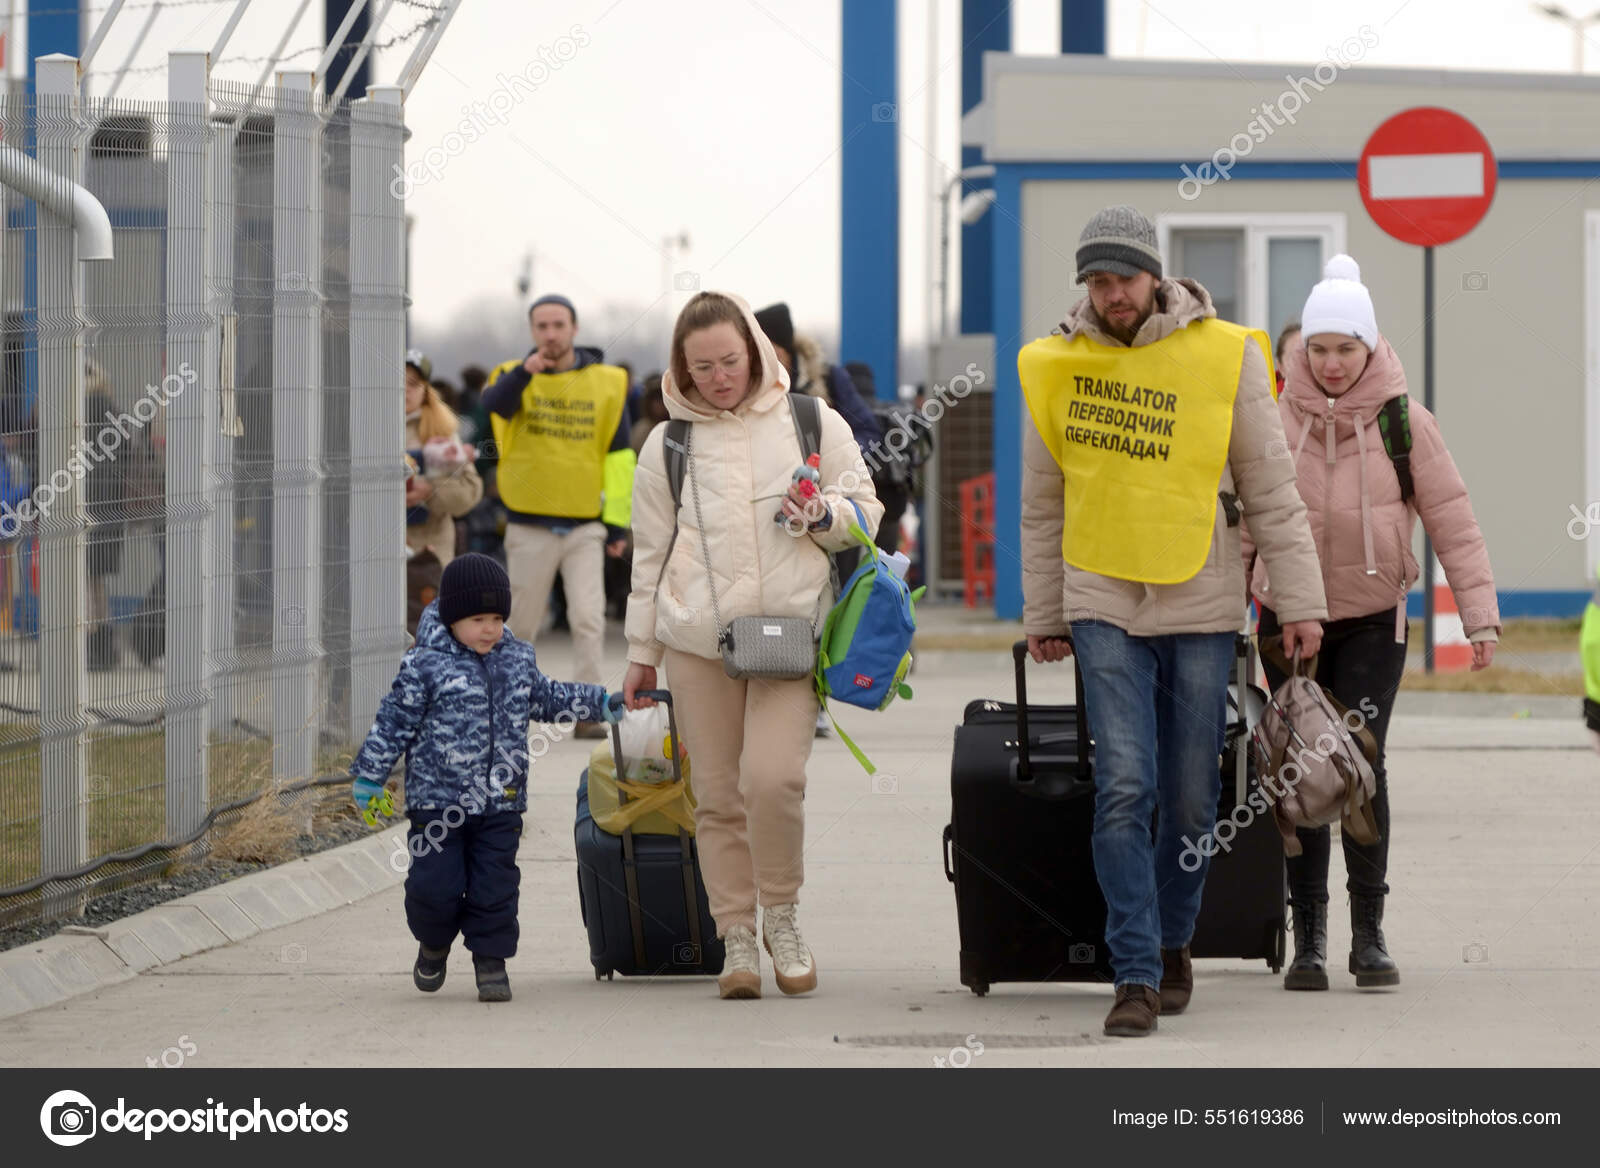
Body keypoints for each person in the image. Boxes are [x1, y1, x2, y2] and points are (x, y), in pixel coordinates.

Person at [1019, 204, 1328, 1037]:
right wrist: (1044, 609)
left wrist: (1298, 602)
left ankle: (1175, 937)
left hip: (1200, 596)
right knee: (1126, 785)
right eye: (1096, 280)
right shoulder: (1060, 367)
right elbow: (1042, 504)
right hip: (1102, 599)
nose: (1111, 293)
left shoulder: (1223, 356)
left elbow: (1269, 487)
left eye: (1122, 276)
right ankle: (1135, 970)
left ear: (1154, 276)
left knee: (1191, 799)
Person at [1244, 255, 1499, 992]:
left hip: (1371, 619)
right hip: (1286, 616)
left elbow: (1454, 522)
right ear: (1303, 350)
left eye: (1344, 349)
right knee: (1295, 765)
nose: (1329, 364)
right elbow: (1242, 524)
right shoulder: (1268, 419)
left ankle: (1369, 933)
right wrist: (1226, 610)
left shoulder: (1403, 422)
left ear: (1369, 347)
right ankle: (1311, 939)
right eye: (1318, 349)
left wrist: (1479, 618)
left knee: (1357, 760)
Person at [621, 291, 881, 1000]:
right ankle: (737, 933)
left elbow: (867, 514)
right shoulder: (666, 442)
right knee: (716, 797)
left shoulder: (811, 420)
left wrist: (824, 513)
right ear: (682, 368)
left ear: (757, 351)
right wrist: (640, 653)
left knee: (774, 781)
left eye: (729, 361)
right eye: (700, 367)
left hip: (790, 639)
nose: (718, 377)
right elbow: (649, 555)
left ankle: (783, 916)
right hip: (698, 643)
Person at [350, 553, 625, 1002]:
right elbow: (393, 721)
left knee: (495, 887)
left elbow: (549, 696)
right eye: (478, 618)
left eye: (497, 618)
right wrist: (370, 776)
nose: (490, 629)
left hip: (501, 803)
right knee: (432, 888)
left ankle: (490, 962)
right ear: (453, 617)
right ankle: (434, 943)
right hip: (438, 804)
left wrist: (598, 704)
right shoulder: (424, 666)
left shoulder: (516, 659)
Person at [482, 294, 634, 738]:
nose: (550, 334)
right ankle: (505, 706)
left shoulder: (607, 383)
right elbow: (494, 406)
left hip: (585, 523)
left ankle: (588, 711)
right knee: (522, 625)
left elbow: (619, 456)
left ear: (574, 328)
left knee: (588, 618)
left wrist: (616, 523)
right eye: (542, 326)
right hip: (529, 524)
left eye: (558, 325)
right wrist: (525, 374)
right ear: (533, 332)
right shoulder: (512, 377)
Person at [405, 349, 483, 569]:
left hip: (428, 560)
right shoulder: (360, 430)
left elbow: (470, 492)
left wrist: (430, 491)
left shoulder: (442, 433)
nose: (405, 390)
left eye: (413, 384)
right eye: (397, 382)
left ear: (426, 390)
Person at [1274, 321, 1300, 395]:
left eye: (1307, 356)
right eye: (1294, 359)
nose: (1302, 364)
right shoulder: (1269, 403)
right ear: (1281, 367)